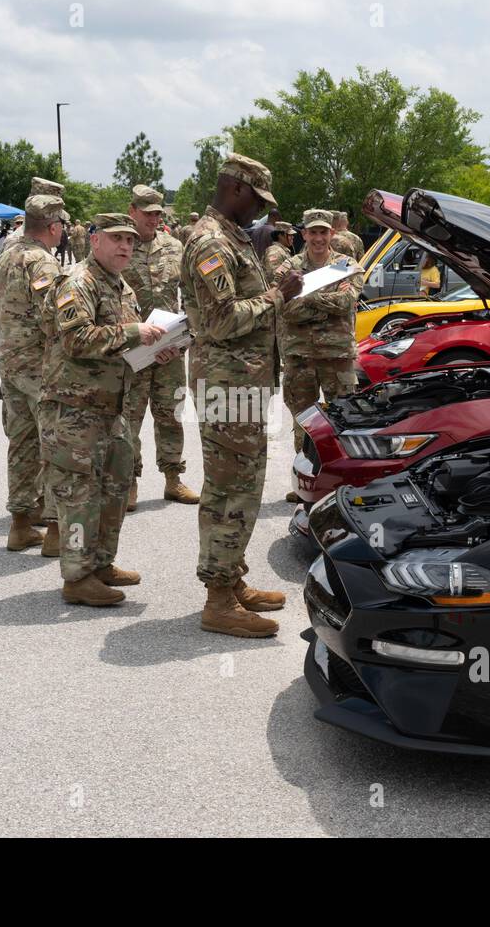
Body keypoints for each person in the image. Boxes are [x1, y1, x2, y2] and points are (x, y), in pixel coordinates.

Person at [181, 153, 303, 637]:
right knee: (231, 489)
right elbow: (220, 319)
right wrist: (277, 296)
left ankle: (230, 581)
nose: (261, 211)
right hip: (227, 387)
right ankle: (218, 599)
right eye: (257, 199)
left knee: (243, 485)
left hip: (241, 384)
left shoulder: (231, 236)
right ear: (236, 189)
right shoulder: (211, 242)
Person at [39, 213, 166, 607]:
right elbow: (77, 339)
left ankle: (101, 564)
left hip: (112, 407)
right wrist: (134, 332)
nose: (125, 246)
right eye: (116, 239)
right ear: (95, 241)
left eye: (130, 240)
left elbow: (119, 345)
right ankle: (77, 576)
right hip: (74, 410)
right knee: (79, 495)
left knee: (113, 488)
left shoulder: (120, 285)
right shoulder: (78, 281)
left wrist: (155, 351)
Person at [0, 193, 69, 554]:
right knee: (54, 446)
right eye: (62, 225)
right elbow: (54, 319)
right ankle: (55, 531)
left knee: (21, 446)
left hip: (10, 365)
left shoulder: (6, 255)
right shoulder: (43, 263)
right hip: (40, 369)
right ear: (52, 227)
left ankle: (20, 525)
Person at [122, 185, 197, 511]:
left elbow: (190, 296)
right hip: (133, 348)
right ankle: (129, 484)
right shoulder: (120, 246)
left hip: (168, 348)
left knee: (171, 415)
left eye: (158, 213)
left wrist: (183, 341)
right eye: (148, 212)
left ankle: (172, 478)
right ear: (132, 211)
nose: (154, 218)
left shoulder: (174, 246)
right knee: (129, 419)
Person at [272, 209, 361, 457]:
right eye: (313, 232)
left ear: (332, 233)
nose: (319, 238)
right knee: (304, 422)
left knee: (342, 420)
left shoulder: (346, 265)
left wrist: (307, 296)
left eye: (323, 232)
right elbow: (284, 308)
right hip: (300, 357)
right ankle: (306, 478)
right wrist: (327, 304)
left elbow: (347, 300)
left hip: (338, 356)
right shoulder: (289, 268)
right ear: (304, 234)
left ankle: (339, 479)